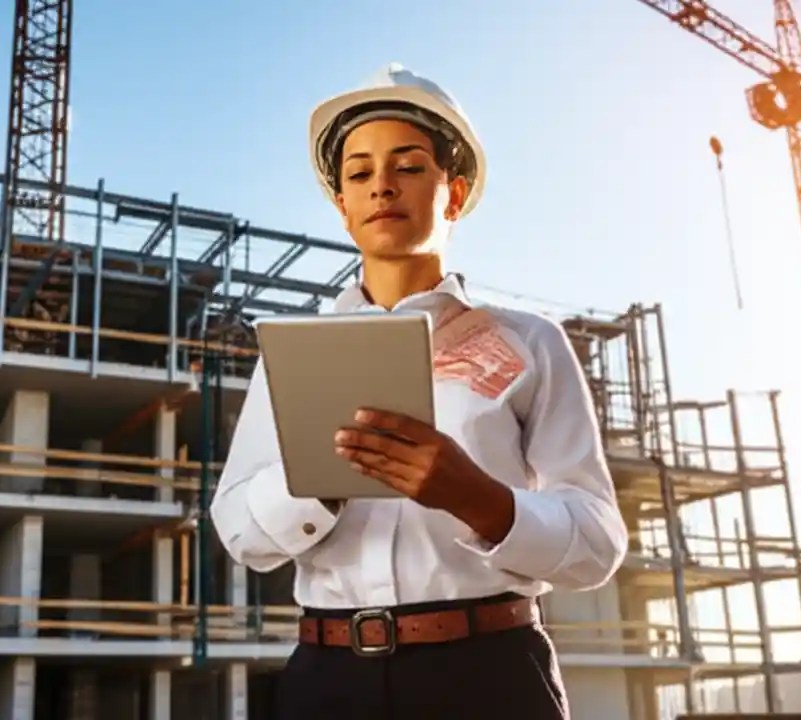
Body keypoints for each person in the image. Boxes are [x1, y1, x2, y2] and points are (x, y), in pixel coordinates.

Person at [209, 63, 628, 720]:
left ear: (453, 194)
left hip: (488, 675)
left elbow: (597, 544)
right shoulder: (293, 355)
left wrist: (479, 499)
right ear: (343, 207)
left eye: (407, 166)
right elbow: (240, 532)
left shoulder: (530, 342)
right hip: (328, 680)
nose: (381, 185)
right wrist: (317, 484)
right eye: (359, 174)